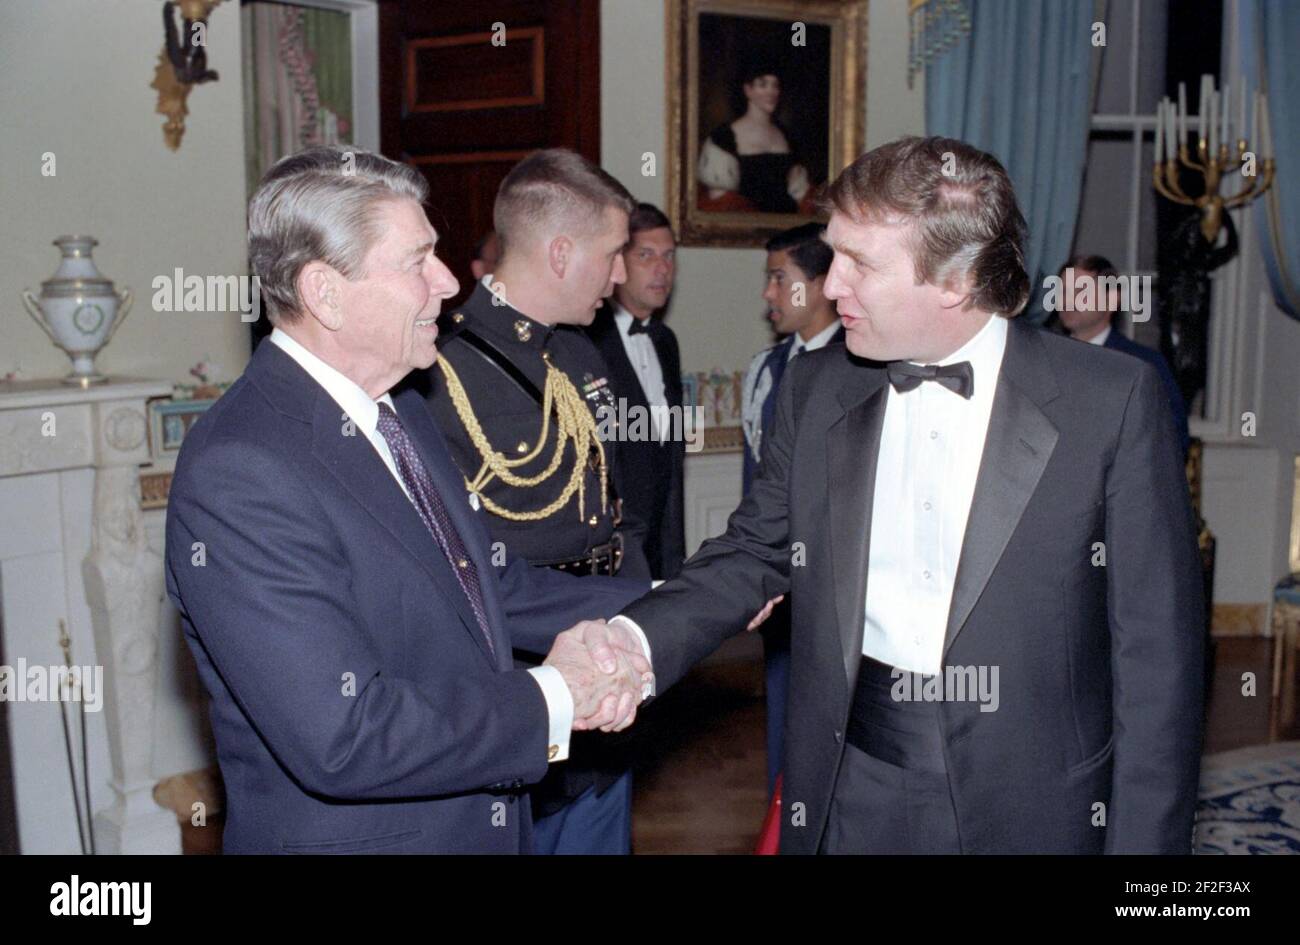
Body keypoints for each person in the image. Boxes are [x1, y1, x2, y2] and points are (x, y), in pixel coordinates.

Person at [580, 136, 1206, 854]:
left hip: (1035, 800)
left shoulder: (1111, 402)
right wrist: (629, 642)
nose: (828, 284)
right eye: (831, 253)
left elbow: (1158, 665)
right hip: (854, 782)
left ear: (955, 281)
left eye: (859, 264)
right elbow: (751, 550)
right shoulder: (817, 387)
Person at [164, 146, 652, 854]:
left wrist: (666, 602)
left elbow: (488, 586)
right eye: (417, 261)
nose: (450, 281)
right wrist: (556, 695)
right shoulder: (241, 469)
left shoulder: (400, 407)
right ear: (326, 292)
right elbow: (344, 731)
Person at [418, 148, 651, 855]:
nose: (620, 275)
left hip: (608, 666)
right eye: (613, 254)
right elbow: (457, 566)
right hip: (526, 678)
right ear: (559, 252)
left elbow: (612, 510)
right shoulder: (441, 371)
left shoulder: (578, 354)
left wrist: (643, 612)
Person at [739, 222, 843, 797]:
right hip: (779, 580)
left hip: (835, 583)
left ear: (823, 285)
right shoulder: (766, 369)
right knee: (783, 707)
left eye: (781, 279)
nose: (769, 294)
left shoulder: (865, 366)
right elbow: (755, 483)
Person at [586, 203, 686, 581]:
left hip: (662, 541)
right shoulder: (587, 340)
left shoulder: (666, 341)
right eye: (646, 255)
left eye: (669, 256)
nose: (662, 269)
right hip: (613, 547)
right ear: (618, 262)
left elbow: (672, 448)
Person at [1056, 253, 1190, 459]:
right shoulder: (1045, 358)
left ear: (1112, 299)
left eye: (1081, 291)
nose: (1068, 300)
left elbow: (1171, 439)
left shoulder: (1141, 365)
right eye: (1063, 291)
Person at [698, 62, 810, 214]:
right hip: (742, 227)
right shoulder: (724, 137)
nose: (771, 92)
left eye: (775, 85)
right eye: (763, 85)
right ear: (748, 90)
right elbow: (719, 200)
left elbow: (799, 192)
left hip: (786, 225)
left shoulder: (786, 136)